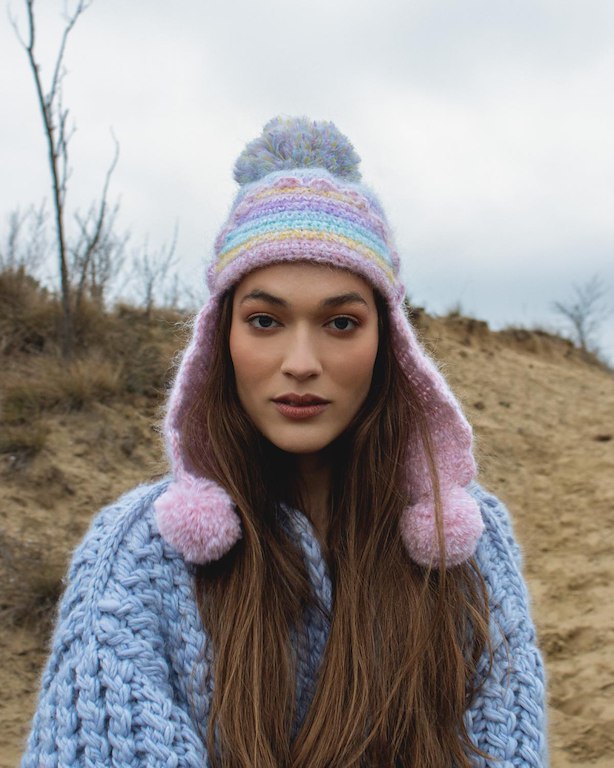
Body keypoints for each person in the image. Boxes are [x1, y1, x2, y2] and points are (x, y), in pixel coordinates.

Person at [22, 117, 547, 767]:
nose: (301, 360)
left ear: (388, 345)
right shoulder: (135, 557)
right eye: (265, 320)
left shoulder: (468, 547)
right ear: (222, 340)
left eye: (341, 322)